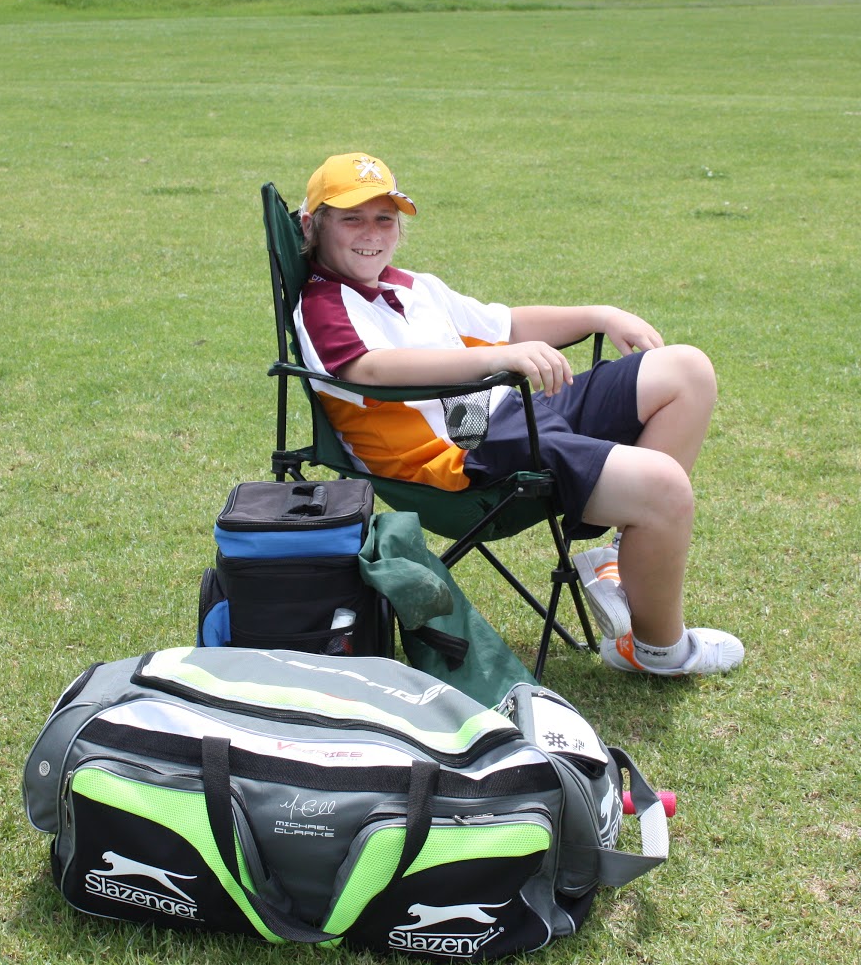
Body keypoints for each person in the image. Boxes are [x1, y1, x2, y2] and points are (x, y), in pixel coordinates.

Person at [292, 152, 744, 677]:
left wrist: (600, 314)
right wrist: (494, 360)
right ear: (313, 225)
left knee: (686, 371)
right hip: (462, 456)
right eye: (352, 218)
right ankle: (658, 651)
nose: (372, 233)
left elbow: (504, 325)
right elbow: (368, 369)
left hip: (509, 413)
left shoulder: (411, 286)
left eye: (384, 218)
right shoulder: (323, 305)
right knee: (662, 486)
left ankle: (619, 566)